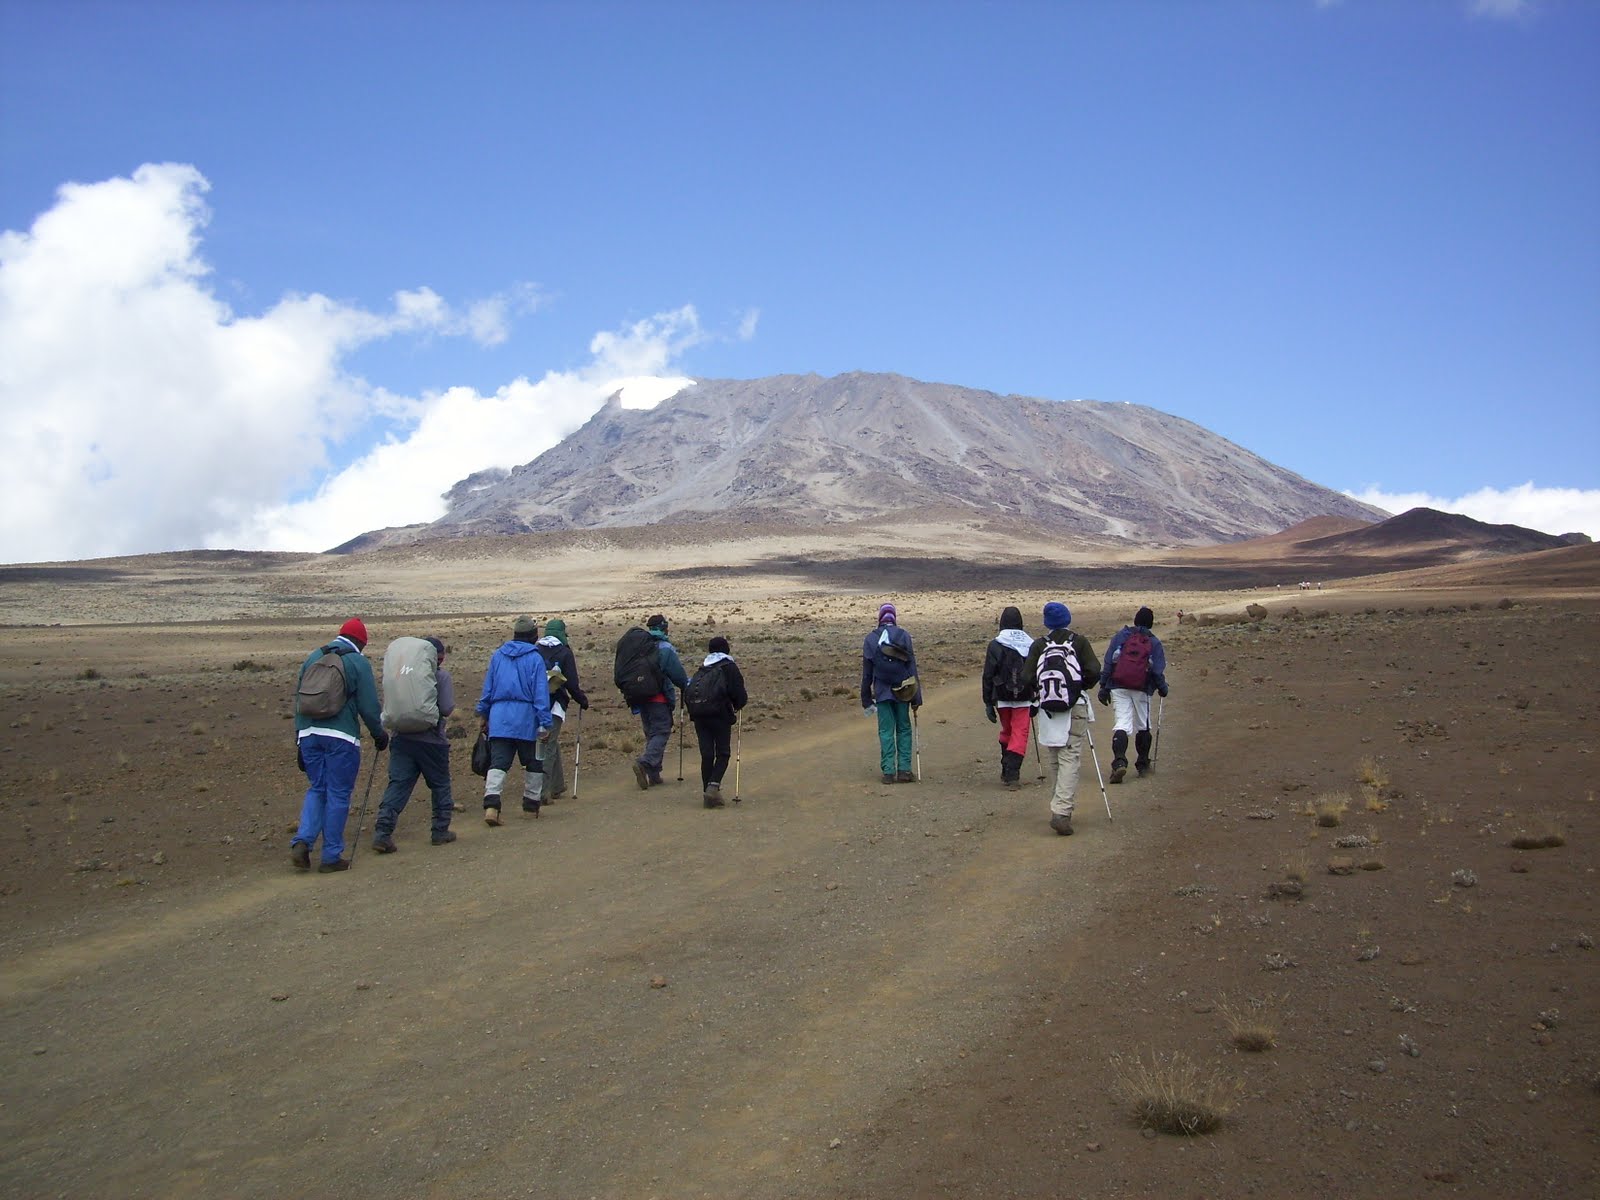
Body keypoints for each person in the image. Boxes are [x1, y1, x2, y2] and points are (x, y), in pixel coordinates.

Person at [291, 618, 388, 873]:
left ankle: (303, 840)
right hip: (341, 737)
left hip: (309, 734)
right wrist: (379, 734)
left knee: (317, 789)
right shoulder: (357, 662)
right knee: (338, 793)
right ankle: (331, 855)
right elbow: (368, 706)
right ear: (361, 642)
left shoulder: (314, 656)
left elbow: (299, 699)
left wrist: (299, 739)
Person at [1022, 602, 1102, 836]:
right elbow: (1095, 670)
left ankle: (1059, 806)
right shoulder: (1079, 642)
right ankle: (1062, 811)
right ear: (1067, 618)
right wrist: (1079, 688)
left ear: (1046, 622)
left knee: (1056, 756)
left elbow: (1027, 676)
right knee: (1070, 757)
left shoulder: (1038, 646)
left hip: (1048, 709)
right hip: (1074, 706)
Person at [372, 636, 456, 852]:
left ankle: (383, 832)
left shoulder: (402, 675)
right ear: (439, 657)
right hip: (432, 741)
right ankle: (439, 831)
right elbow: (446, 708)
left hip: (402, 739)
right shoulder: (441, 676)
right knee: (440, 785)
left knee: (398, 784)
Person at [476, 616, 552, 825]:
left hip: (499, 718)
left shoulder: (498, 656)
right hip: (527, 719)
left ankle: (491, 806)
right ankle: (530, 807)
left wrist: (483, 714)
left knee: (498, 763)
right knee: (533, 763)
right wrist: (545, 722)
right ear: (533, 636)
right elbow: (540, 694)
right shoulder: (535, 658)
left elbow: (488, 689)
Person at [1098, 605, 1169, 783]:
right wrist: (1162, 687)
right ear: (1151, 623)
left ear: (1135, 620)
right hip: (1142, 688)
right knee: (1143, 725)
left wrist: (1104, 686)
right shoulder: (1153, 642)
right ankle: (1143, 764)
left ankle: (1119, 761)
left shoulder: (1121, 637)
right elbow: (1157, 670)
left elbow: (1108, 662)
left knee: (1122, 723)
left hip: (1118, 685)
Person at [625, 614, 690, 790]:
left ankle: (654, 774)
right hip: (658, 698)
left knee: (651, 733)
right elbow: (677, 675)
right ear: (664, 628)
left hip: (641, 698)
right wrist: (687, 685)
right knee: (661, 732)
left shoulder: (641, 648)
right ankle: (644, 763)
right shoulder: (665, 648)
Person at [860, 602, 922, 783]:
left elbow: (867, 674)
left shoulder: (870, 639)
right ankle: (904, 770)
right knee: (903, 728)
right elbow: (912, 668)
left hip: (881, 692)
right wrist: (916, 697)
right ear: (894, 617)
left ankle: (888, 772)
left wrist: (866, 698)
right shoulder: (904, 636)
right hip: (903, 691)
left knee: (886, 730)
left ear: (880, 618)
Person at [686, 635, 749, 808]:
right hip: (719, 714)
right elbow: (740, 694)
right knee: (723, 753)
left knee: (706, 754)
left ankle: (707, 792)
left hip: (699, 714)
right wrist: (737, 705)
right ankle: (713, 787)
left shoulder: (703, 668)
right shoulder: (729, 666)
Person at [534, 618, 589, 801]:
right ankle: (542, 792)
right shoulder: (564, 652)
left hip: (535, 704)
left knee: (549, 743)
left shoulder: (535, 650)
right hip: (554, 705)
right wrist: (582, 700)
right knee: (548, 745)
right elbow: (572, 683)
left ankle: (557, 786)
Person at [981, 606, 1035, 790]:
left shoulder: (996, 644)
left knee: (1008, 730)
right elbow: (1035, 674)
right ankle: (1012, 774)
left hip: (1002, 696)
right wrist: (1036, 700)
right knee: (1020, 733)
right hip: (1025, 697)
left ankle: (1006, 767)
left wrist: (988, 702)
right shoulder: (1030, 644)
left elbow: (988, 674)